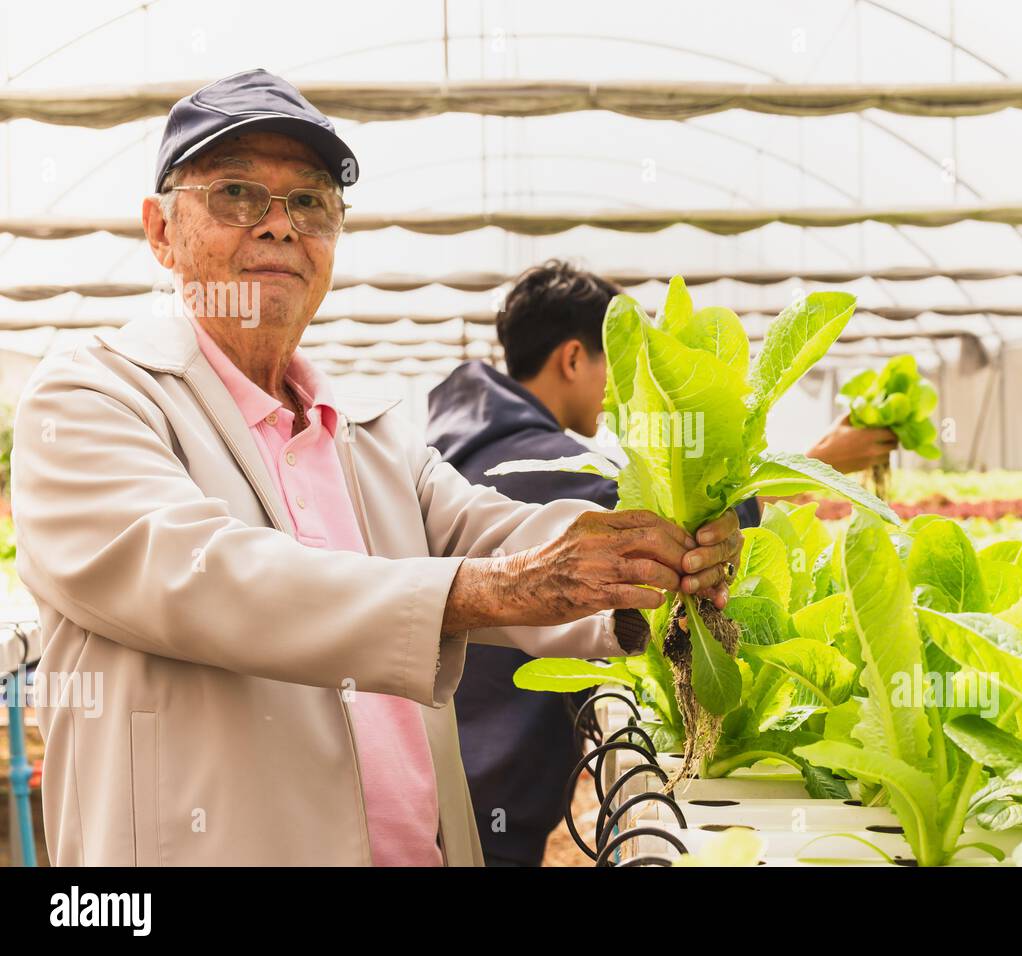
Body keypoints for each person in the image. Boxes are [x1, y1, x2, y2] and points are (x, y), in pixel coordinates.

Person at [10, 71, 741, 867]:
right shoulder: (91, 398)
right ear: (160, 231)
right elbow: (211, 578)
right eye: (237, 195)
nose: (281, 226)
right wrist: (487, 588)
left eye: (311, 202)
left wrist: (648, 563)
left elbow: (493, 532)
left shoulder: (364, 430)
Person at [426, 260, 899, 865]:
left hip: (443, 754)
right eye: (613, 365)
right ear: (573, 359)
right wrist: (824, 459)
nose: (617, 389)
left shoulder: (451, 453)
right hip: (493, 776)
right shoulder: (544, 466)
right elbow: (671, 529)